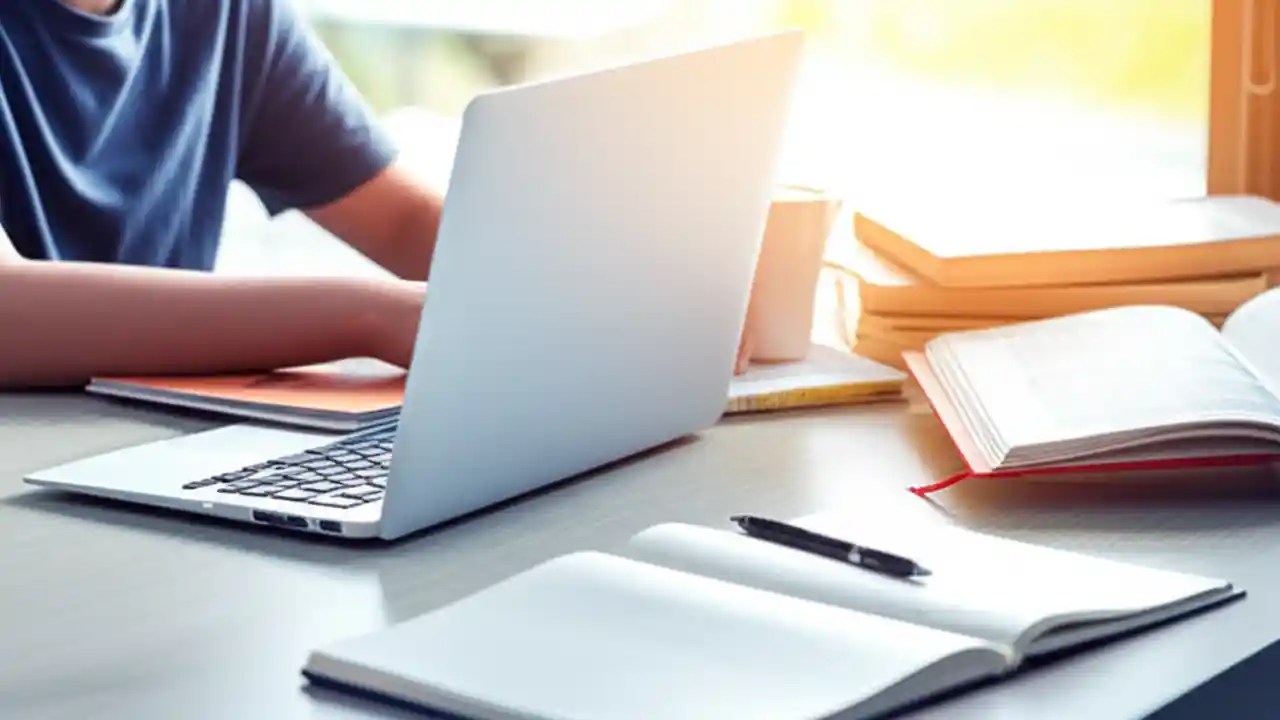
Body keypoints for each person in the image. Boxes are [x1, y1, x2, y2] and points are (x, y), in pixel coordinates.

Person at [0, 0, 754, 389]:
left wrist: (618, 284)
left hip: (139, 465)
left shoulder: (224, 15)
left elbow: (400, 219)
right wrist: (372, 315)